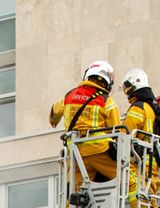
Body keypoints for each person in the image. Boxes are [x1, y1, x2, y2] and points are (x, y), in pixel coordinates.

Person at [48, 60, 120, 188]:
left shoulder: (69, 96)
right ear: (107, 81)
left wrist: (54, 122)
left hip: (76, 153)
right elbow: (118, 132)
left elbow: (54, 112)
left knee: (73, 193)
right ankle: (143, 207)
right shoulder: (106, 100)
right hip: (99, 151)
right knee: (129, 177)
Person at [120, 67, 159, 208]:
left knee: (134, 183)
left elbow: (126, 133)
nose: (127, 92)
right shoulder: (152, 108)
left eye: (127, 87)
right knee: (150, 194)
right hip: (153, 161)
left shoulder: (138, 107)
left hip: (141, 160)